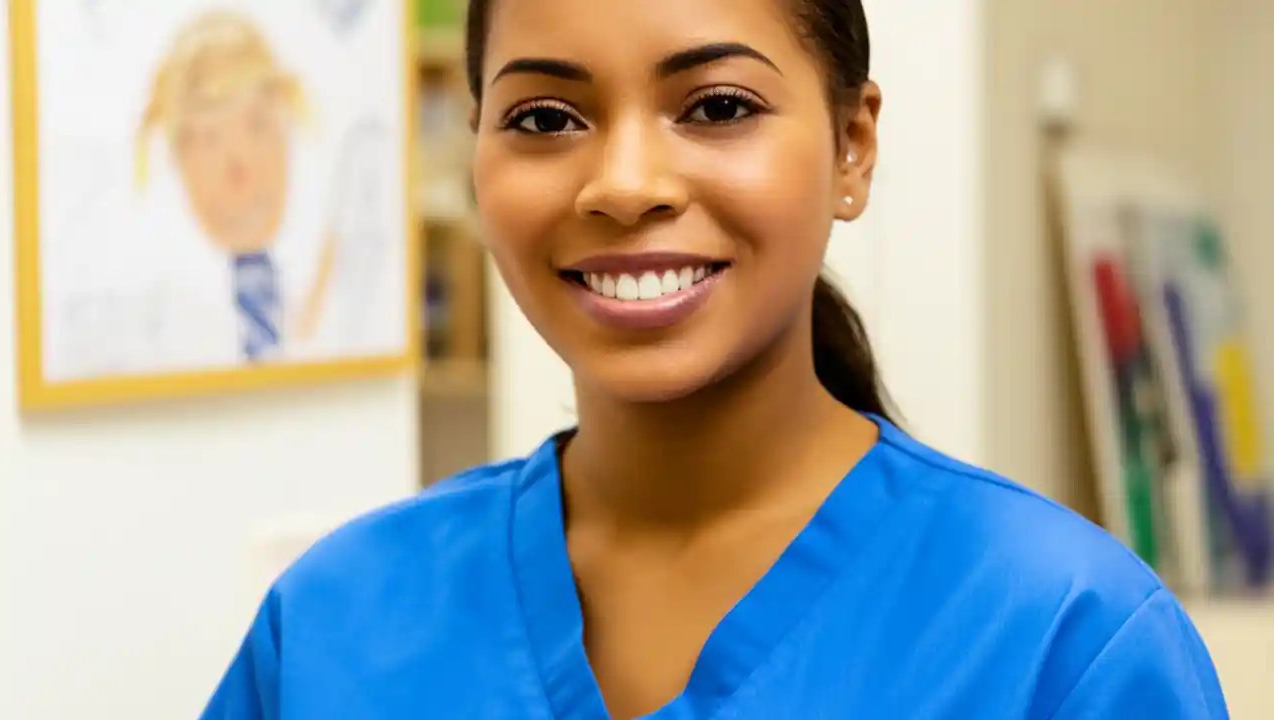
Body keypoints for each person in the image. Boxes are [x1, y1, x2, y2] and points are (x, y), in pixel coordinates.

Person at [202, 0, 1229, 717]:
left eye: (717, 107)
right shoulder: (334, 625)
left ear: (849, 146)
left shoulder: (1059, 638)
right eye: (544, 118)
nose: (624, 182)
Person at [137, 10, 336, 363]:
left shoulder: (334, 273)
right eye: (209, 139)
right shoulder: (158, 321)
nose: (238, 164)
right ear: (177, 157)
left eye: (257, 127)